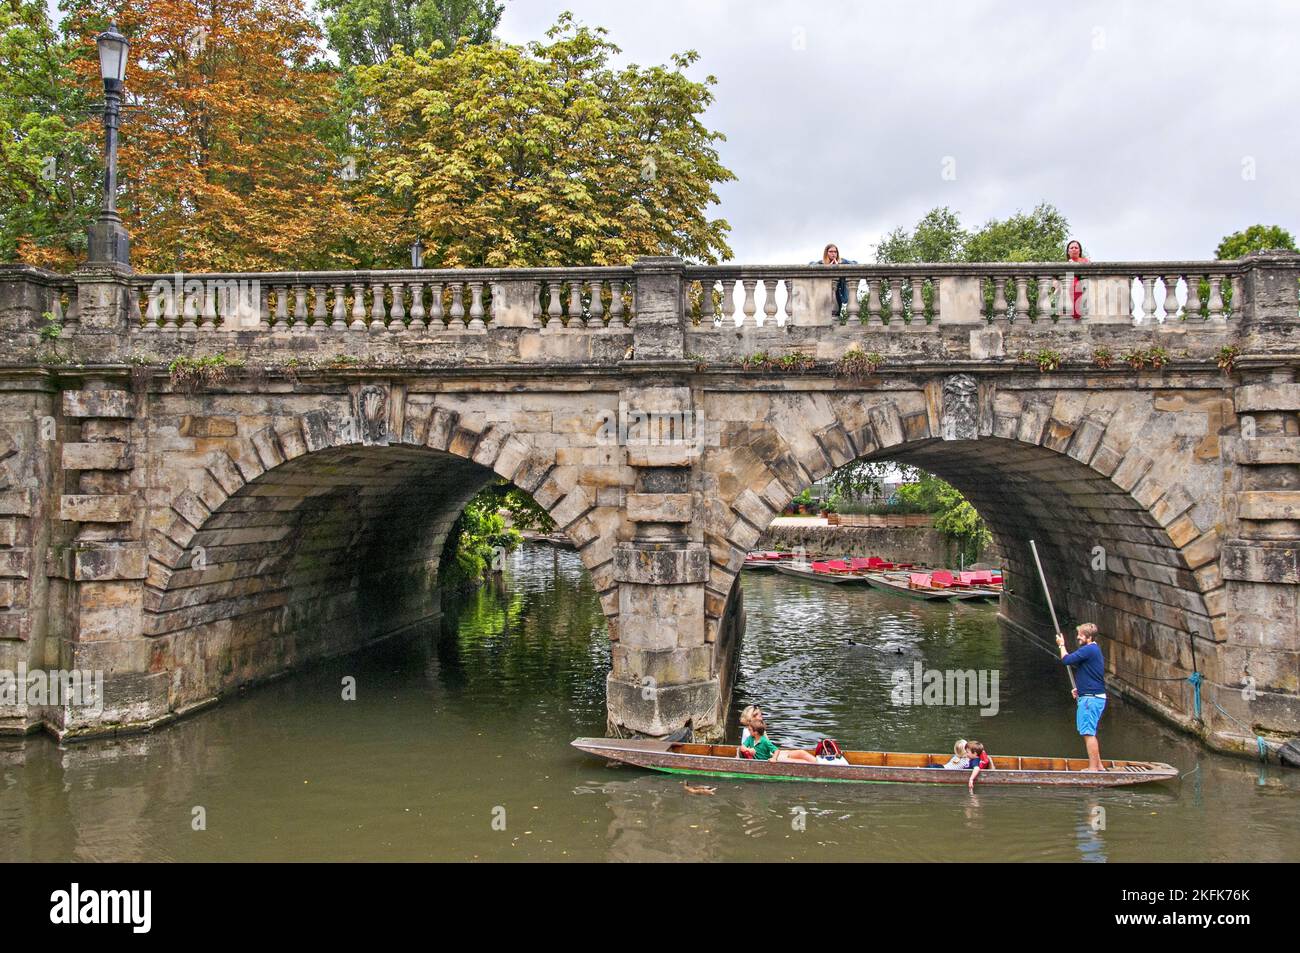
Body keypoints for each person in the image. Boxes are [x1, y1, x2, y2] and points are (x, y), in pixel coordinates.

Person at [1057, 622, 1107, 771]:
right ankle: (1099, 766)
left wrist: (1061, 645)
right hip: (1090, 695)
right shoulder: (1092, 650)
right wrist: (1080, 689)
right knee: (1089, 731)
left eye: (1081, 635)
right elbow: (1091, 672)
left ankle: (1093, 768)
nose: (1078, 637)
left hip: (1091, 699)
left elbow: (1066, 659)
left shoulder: (1089, 649)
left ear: (1089, 637)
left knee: (1088, 733)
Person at [810, 243, 859, 317]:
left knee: (836, 316)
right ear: (826, 253)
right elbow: (810, 265)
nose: (833, 254)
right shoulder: (821, 263)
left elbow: (855, 264)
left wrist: (840, 265)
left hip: (837, 294)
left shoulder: (842, 261)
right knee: (823, 317)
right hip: (823, 294)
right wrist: (827, 267)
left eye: (835, 252)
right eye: (831, 251)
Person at [738, 718, 819, 763]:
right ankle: (816, 765)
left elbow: (776, 750)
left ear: (755, 732)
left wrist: (774, 759)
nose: (748, 731)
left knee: (801, 754)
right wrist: (749, 750)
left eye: (750, 730)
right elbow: (742, 747)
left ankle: (819, 764)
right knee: (801, 761)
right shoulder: (750, 738)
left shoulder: (764, 741)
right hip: (763, 761)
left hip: (769, 758)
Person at [1066, 239, 1090, 319]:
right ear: (1068, 252)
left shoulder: (1086, 261)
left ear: (1079, 251)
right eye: (1071, 248)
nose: (1074, 249)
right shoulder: (1066, 264)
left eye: (1076, 248)